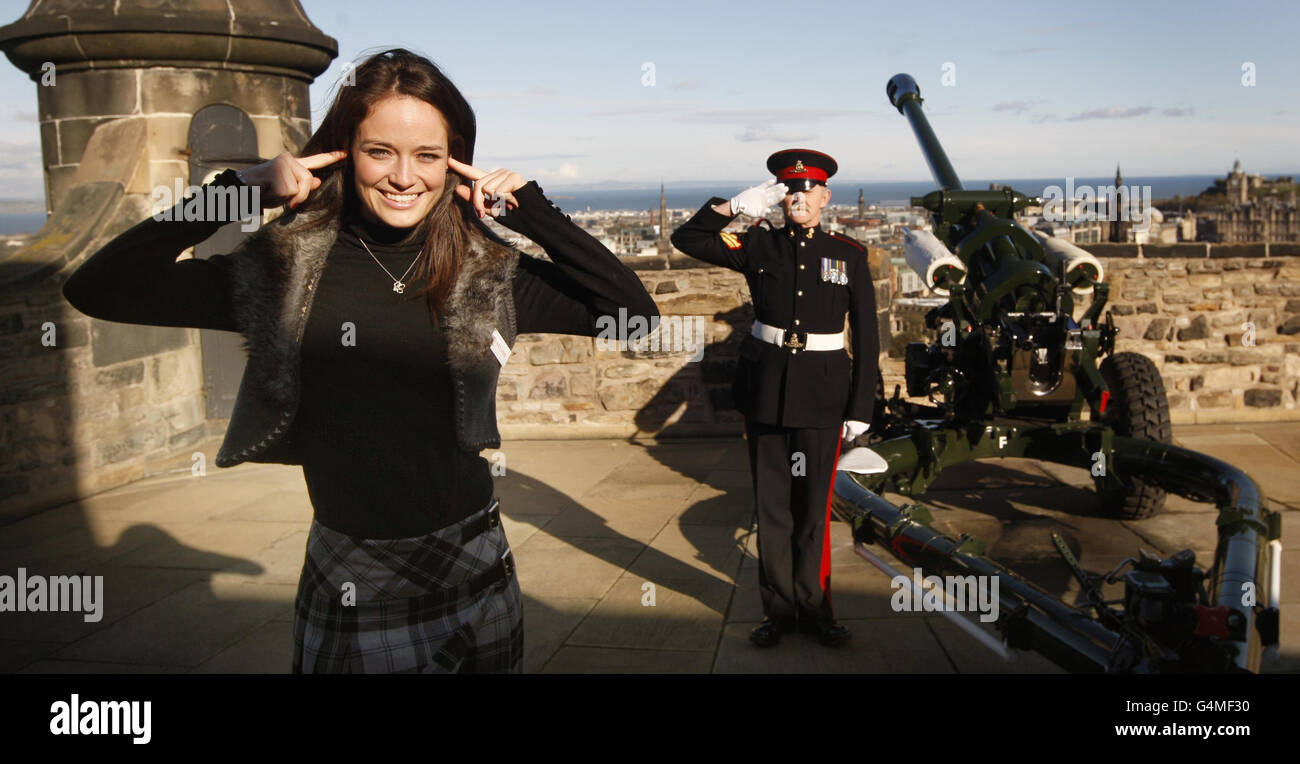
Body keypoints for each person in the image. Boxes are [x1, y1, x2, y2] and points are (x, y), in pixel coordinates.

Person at [62, 48, 659, 673]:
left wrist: (532, 210)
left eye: (428, 155)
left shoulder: (488, 272)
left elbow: (633, 314)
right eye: (381, 151)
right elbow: (101, 288)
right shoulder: (283, 268)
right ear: (344, 150)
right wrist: (236, 193)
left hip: (475, 557)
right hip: (353, 568)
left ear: (456, 163)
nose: (405, 176)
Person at [670, 149, 878, 647]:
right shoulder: (758, 245)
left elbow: (868, 339)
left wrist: (860, 410)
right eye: (791, 190)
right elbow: (687, 238)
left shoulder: (848, 255)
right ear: (781, 197)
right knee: (772, 509)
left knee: (812, 511)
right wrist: (735, 206)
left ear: (825, 197)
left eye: (808, 190)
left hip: (825, 396)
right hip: (766, 393)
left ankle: (816, 609)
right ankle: (779, 612)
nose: (799, 197)